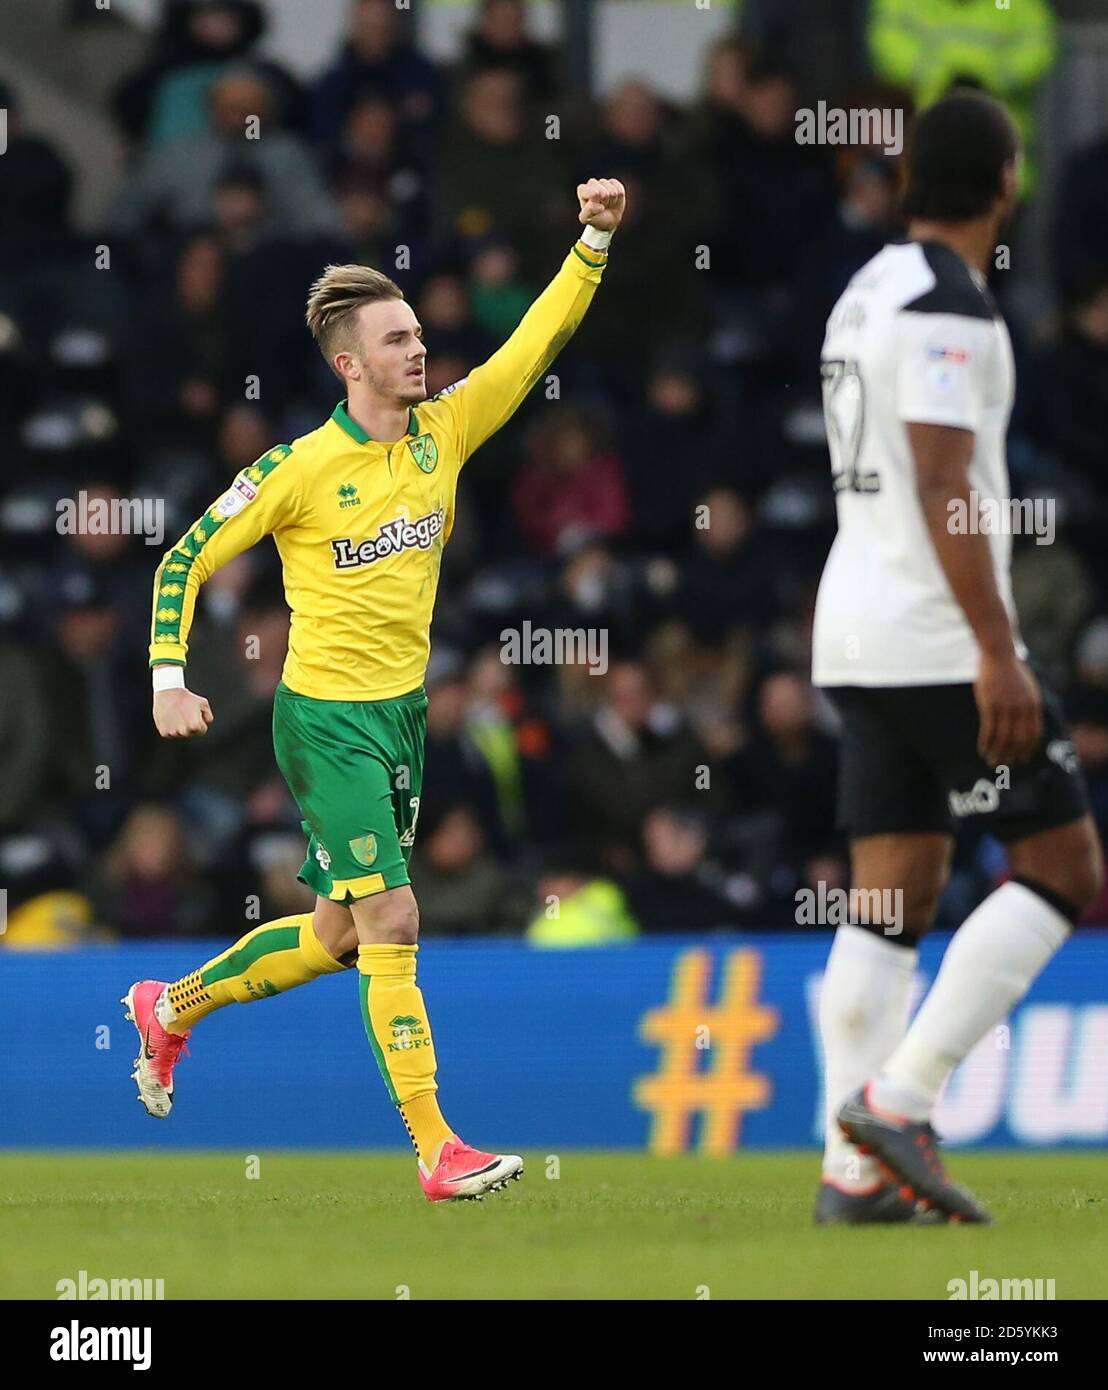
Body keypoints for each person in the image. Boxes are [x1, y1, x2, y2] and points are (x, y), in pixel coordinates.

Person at [124, 177, 626, 1204]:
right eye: (395, 341)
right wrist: (168, 679)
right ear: (348, 363)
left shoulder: (444, 432)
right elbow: (181, 560)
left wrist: (592, 239)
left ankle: (168, 1007)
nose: (417, 350)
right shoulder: (297, 469)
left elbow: (532, 346)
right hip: (324, 724)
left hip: (400, 718)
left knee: (338, 934)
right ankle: (437, 1147)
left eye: (416, 335)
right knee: (394, 920)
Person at [811, 92, 1102, 1225]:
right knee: (1065, 866)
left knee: (892, 890)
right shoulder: (948, 306)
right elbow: (942, 484)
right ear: (1005, 182)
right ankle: (901, 1098)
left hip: (856, 620)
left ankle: (852, 1175)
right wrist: (996, 648)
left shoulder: (864, 289)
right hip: (935, 633)